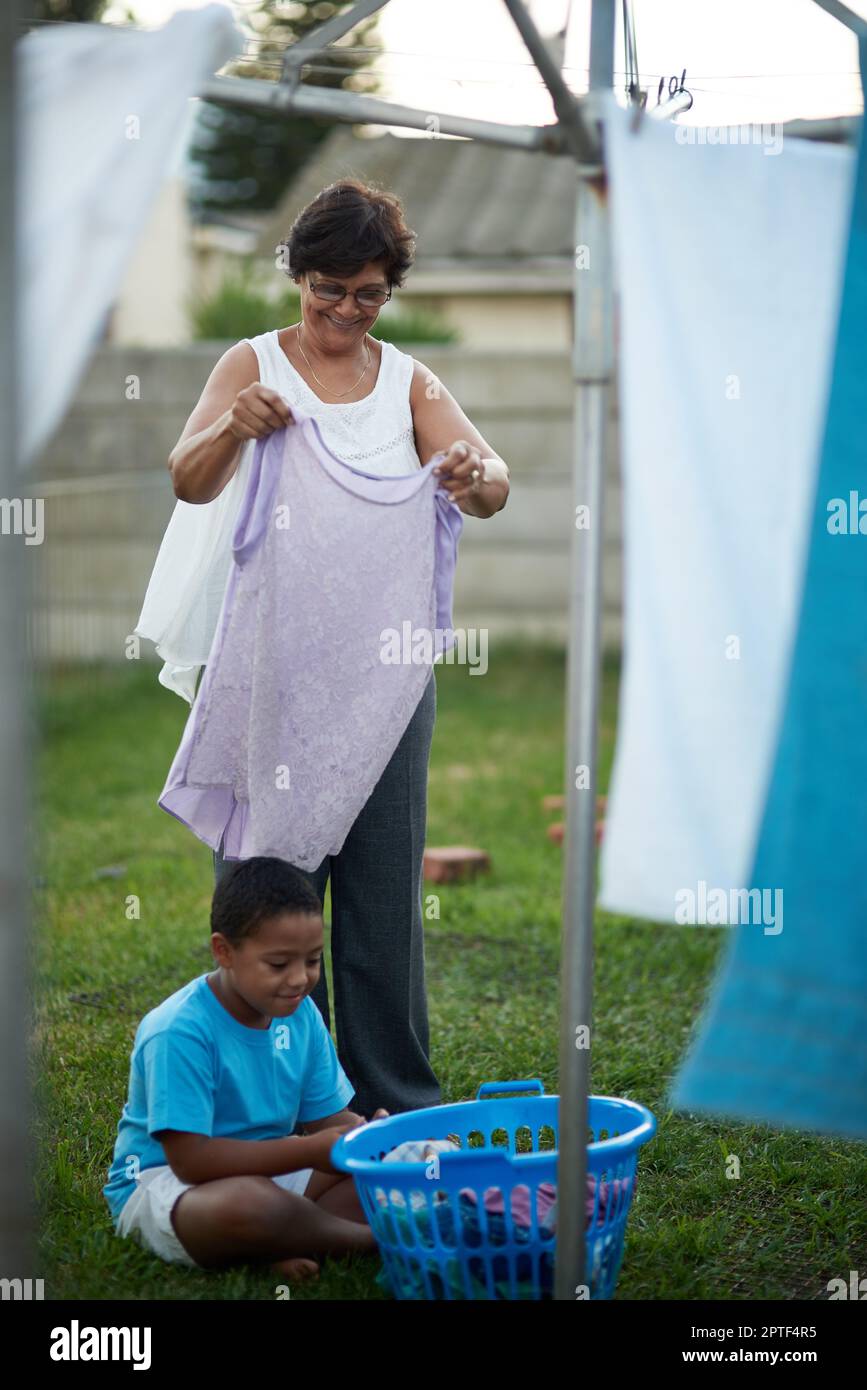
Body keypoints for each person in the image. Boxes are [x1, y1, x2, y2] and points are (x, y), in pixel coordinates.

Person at [163, 178, 511, 1119]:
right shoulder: (251, 363)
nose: (347, 312)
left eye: (369, 294)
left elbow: (492, 484)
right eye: (329, 289)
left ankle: (394, 1100)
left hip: (388, 678)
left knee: (383, 896)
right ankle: (272, 1099)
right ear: (296, 275)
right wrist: (235, 427)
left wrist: (476, 472)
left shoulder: (409, 380)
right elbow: (188, 481)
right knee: (269, 885)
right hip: (273, 670)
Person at [103, 857, 385, 1281]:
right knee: (249, 1206)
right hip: (168, 1185)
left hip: (271, 1170)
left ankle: (283, 1239)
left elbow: (329, 1120)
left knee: (403, 1164)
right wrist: (309, 1150)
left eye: (312, 960)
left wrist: (369, 1138)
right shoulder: (178, 1030)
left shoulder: (300, 1014)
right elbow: (191, 1163)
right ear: (224, 951)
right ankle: (369, 1240)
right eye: (278, 964)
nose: (299, 979)